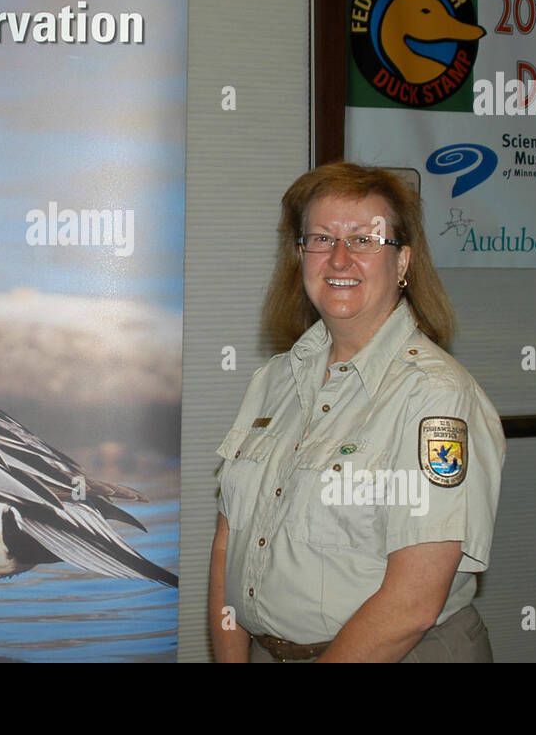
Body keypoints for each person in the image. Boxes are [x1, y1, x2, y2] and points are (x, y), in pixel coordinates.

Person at [208, 163, 505, 662]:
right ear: (301, 256)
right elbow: (228, 546)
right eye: (321, 239)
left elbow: (412, 603)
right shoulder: (273, 381)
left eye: (365, 240)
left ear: (403, 262)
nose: (339, 259)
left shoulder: (434, 396)